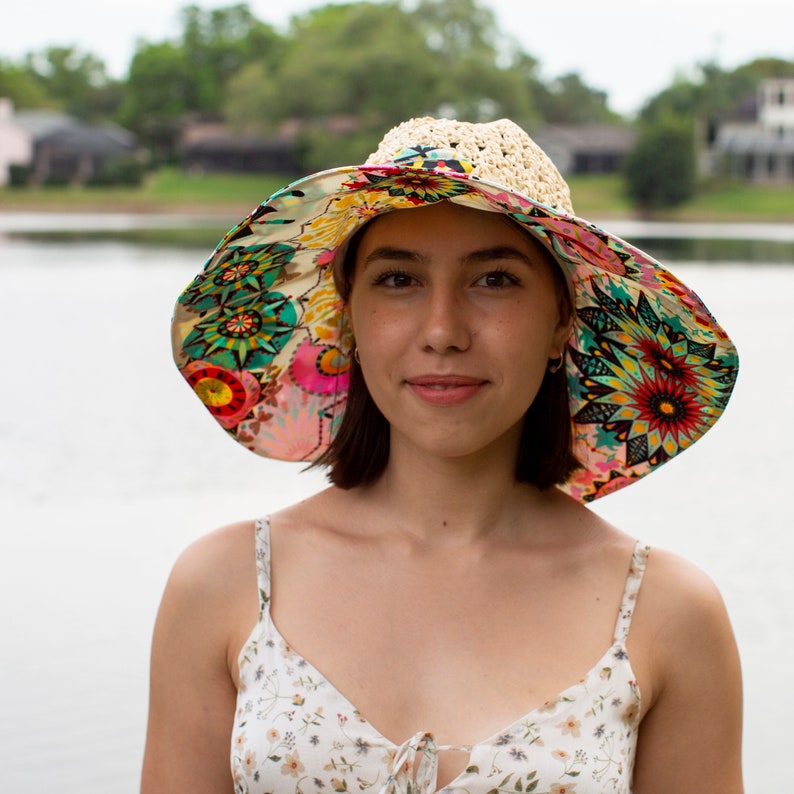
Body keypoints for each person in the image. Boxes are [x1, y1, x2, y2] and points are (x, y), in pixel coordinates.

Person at [142, 117, 743, 793]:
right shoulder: (228, 587)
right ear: (350, 319)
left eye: (494, 280)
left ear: (560, 323)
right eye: (399, 280)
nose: (442, 331)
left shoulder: (667, 614)